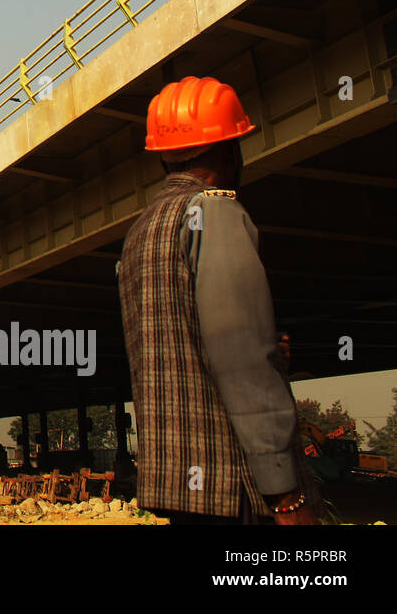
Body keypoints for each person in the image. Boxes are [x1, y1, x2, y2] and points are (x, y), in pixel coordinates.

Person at [117, 76, 319, 525]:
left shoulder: (140, 233)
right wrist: (285, 495)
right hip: (237, 488)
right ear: (230, 149)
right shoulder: (215, 210)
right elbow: (241, 358)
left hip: (180, 486)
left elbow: (181, 348)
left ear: (162, 155)